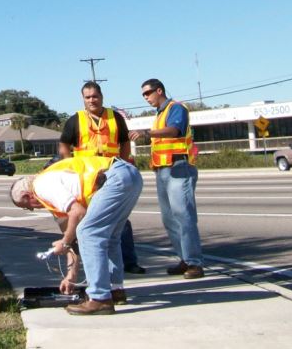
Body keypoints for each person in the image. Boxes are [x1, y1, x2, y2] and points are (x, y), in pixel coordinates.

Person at [11, 153, 143, 315]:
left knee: (88, 233)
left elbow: (78, 214)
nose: (32, 210)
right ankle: (116, 291)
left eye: (27, 206)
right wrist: (71, 276)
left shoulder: (42, 186)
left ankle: (100, 299)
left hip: (115, 177)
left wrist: (64, 242)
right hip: (129, 175)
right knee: (110, 238)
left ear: (27, 195)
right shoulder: (53, 199)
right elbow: (72, 238)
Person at [59, 80, 146, 274]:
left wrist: (123, 163)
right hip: (87, 179)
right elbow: (64, 144)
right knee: (90, 221)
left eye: (95, 96)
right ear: (83, 99)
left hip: (113, 175)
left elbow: (124, 142)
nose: (92, 100)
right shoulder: (76, 119)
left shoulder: (115, 117)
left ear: (102, 97)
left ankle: (129, 262)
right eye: (88, 97)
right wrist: (68, 165)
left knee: (120, 219)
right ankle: (93, 265)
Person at [130, 78, 204, 279]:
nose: (146, 97)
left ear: (159, 90)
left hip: (179, 168)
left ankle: (194, 263)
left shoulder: (176, 108)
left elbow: (174, 131)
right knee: (169, 218)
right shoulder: (160, 114)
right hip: (163, 171)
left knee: (184, 216)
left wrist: (147, 133)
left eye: (148, 93)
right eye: (143, 94)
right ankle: (184, 258)